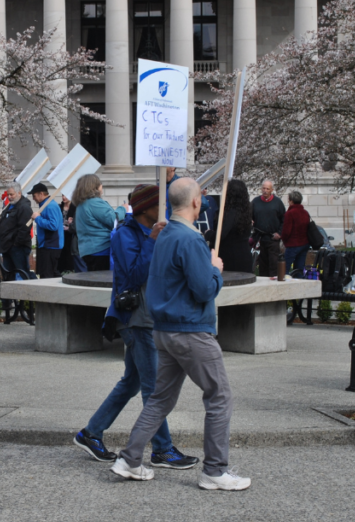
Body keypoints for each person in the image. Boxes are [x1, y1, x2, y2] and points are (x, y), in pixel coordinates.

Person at [112, 178, 250, 491]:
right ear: (196, 203)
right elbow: (204, 290)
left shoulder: (164, 234)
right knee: (219, 396)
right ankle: (214, 470)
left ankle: (130, 459)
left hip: (164, 331)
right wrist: (215, 268)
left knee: (160, 399)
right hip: (190, 330)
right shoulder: (189, 239)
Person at [75, 184, 199, 470]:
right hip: (136, 318)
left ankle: (91, 433)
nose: (165, 209)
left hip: (149, 316)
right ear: (146, 208)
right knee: (152, 388)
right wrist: (154, 241)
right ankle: (162, 449)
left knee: (131, 382)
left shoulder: (154, 232)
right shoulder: (124, 235)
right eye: (160, 204)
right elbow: (132, 276)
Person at [74, 174, 120, 272]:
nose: (102, 186)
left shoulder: (81, 205)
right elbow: (113, 220)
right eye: (100, 184)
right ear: (94, 187)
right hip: (101, 249)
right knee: (103, 282)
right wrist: (123, 209)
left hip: (87, 250)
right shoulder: (95, 203)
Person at [205, 180, 253, 273]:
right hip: (244, 256)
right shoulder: (245, 211)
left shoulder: (230, 212)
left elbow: (221, 235)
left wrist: (208, 233)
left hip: (231, 259)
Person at [0, 184, 32, 275]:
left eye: (11, 194)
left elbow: (24, 229)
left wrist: (16, 243)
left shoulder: (24, 207)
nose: (9, 197)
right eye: (8, 195)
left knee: (22, 274)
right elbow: (4, 227)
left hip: (17, 247)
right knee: (8, 275)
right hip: (7, 247)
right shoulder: (8, 207)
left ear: (19, 193)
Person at [251, 180, 285, 276]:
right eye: (263, 188)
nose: (265, 190)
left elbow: (284, 219)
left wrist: (279, 233)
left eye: (267, 189)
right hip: (259, 239)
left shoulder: (278, 202)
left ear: (272, 190)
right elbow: (248, 215)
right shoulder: (255, 202)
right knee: (262, 266)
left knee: (274, 264)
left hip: (273, 239)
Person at [29, 183, 64, 279]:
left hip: (51, 245)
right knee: (49, 274)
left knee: (48, 276)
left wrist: (38, 218)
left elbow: (53, 225)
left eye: (34, 196)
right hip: (48, 245)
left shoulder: (50, 206)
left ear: (41, 194)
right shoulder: (47, 205)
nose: (33, 199)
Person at [280, 191, 311, 273]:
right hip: (304, 244)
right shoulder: (305, 213)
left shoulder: (290, 214)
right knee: (299, 269)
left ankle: (284, 285)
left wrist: (283, 241)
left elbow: (286, 231)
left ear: (291, 201)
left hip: (293, 244)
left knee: (284, 269)